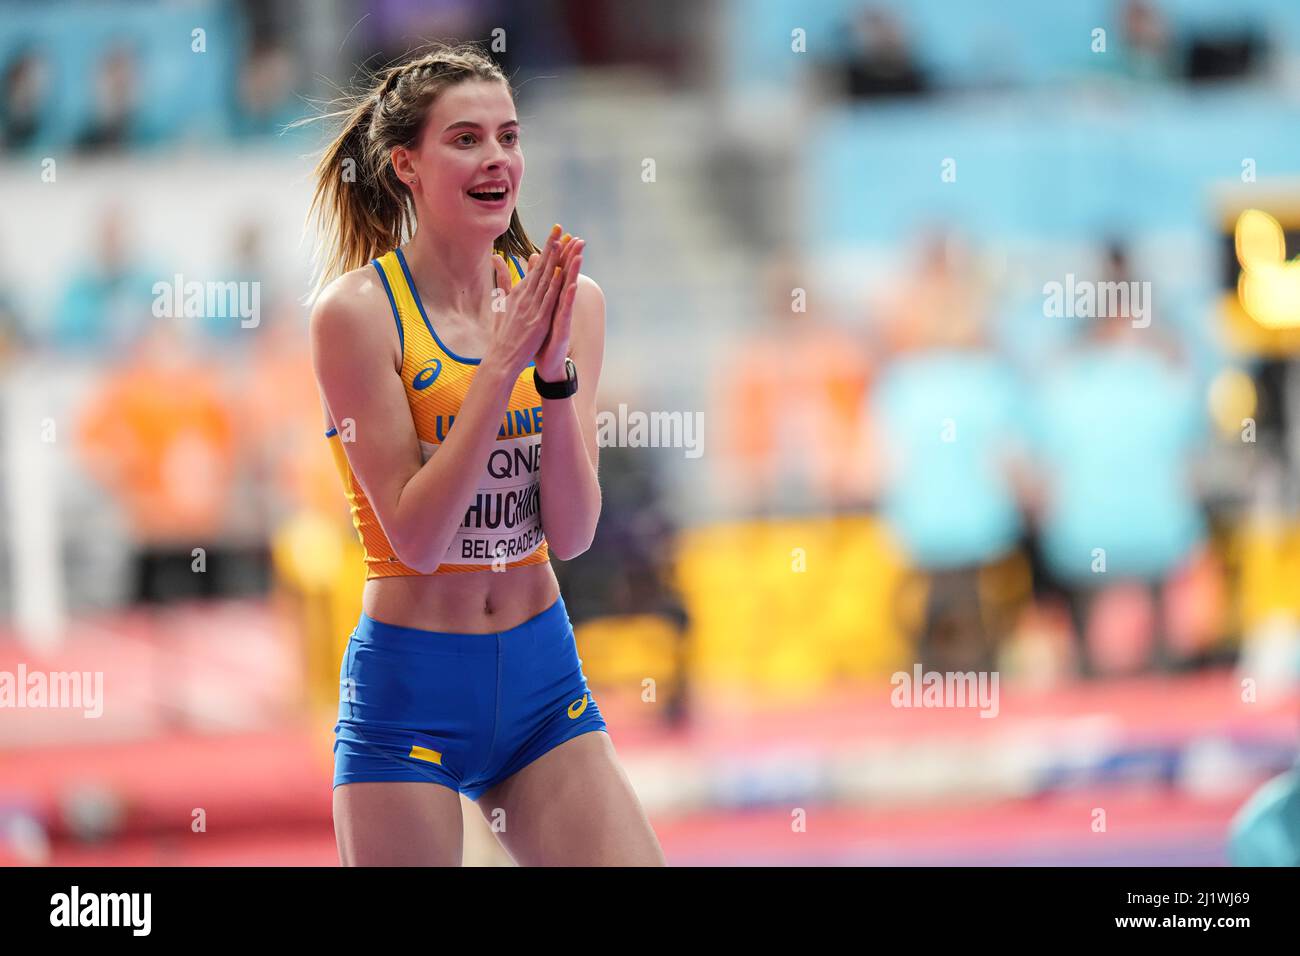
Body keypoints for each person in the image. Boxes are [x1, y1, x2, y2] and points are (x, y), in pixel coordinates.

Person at [303, 42, 664, 866]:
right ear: (406, 166)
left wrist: (553, 374)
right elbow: (418, 542)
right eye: (465, 139)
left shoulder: (573, 305)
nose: (496, 157)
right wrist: (499, 372)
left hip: (540, 679)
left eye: (508, 136)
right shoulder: (357, 316)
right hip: (409, 694)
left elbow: (570, 534)